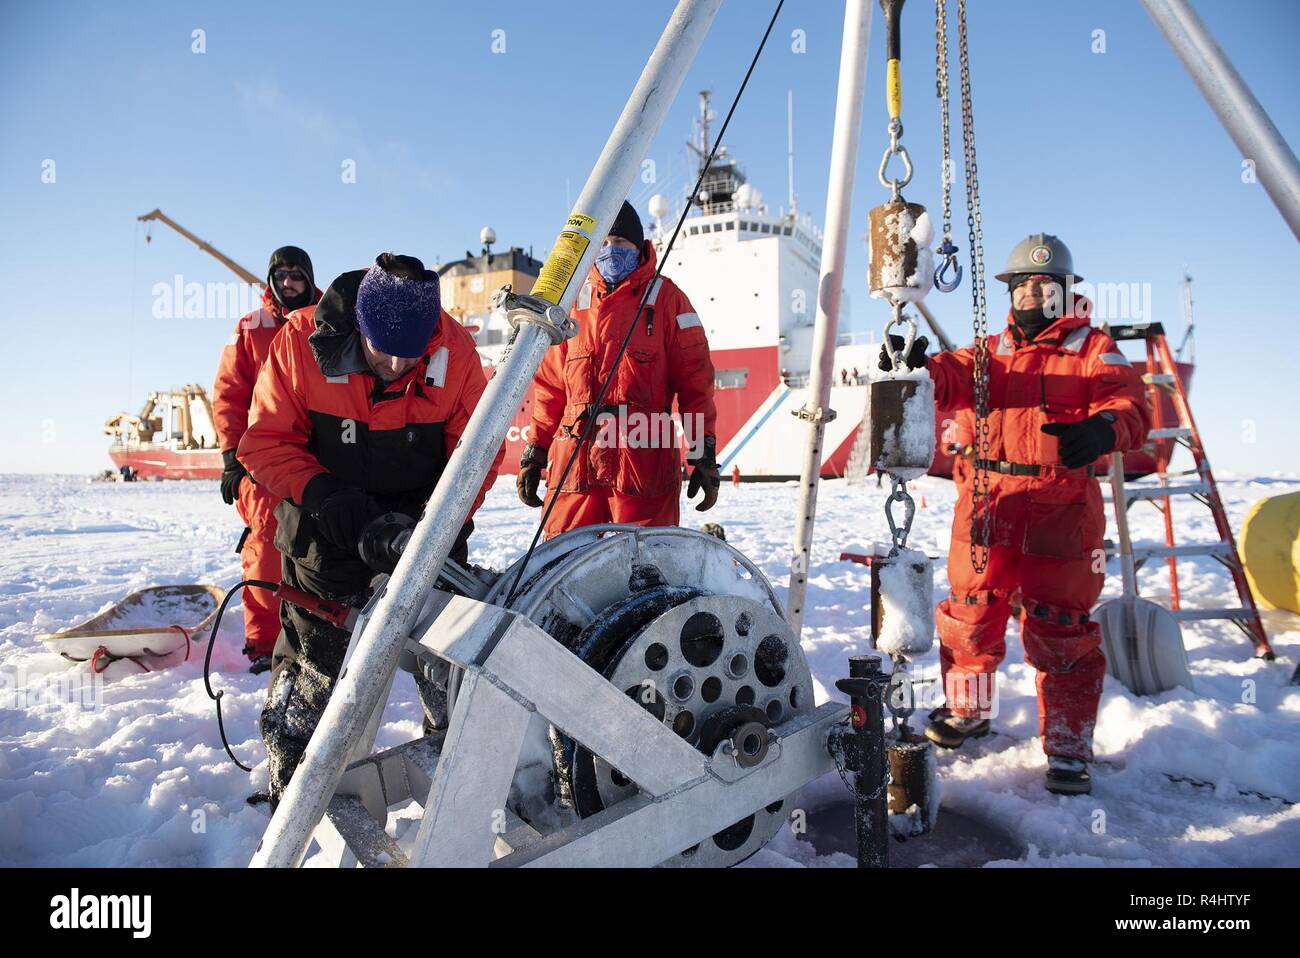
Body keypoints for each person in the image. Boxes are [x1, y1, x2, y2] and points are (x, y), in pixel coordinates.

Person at [881, 233, 1149, 795]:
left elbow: (1130, 406)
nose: (1035, 292)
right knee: (970, 616)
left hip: (1062, 510)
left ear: (1065, 291)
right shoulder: (988, 352)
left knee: (1063, 632)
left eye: (1047, 284)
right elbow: (946, 378)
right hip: (987, 503)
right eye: (1025, 283)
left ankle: (1069, 748)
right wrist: (916, 364)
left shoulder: (1095, 349)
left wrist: (1103, 427)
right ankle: (970, 713)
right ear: (1010, 291)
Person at [237, 253, 502, 804]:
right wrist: (327, 499)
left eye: (413, 354)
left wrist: (440, 519)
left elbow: (478, 453)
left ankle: (457, 763)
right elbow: (264, 444)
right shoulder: (299, 343)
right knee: (319, 656)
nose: (398, 365)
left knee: (447, 649)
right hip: (327, 522)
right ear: (361, 325)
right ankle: (295, 778)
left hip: (420, 524)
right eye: (385, 351)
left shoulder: (455, 353)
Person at [517, 201, 719, 536]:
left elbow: (696, 386)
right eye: (605, 243)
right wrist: (535, 453)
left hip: (643, 468)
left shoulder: (668, 300)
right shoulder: (569, 302)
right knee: (563, 564)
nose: (612, 250)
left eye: (622, 243)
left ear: (639, 246)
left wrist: (703, 455)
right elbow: (550, 390)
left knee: (646, 565)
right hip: (574, 468)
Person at [212, 247, 321, 673]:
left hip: (318, 455)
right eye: (281, 275)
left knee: (324, 544)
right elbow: (229, 394)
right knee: (267, 543)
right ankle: (263, 643)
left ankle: (321, 635)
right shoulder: (250, 329)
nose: (289, 283)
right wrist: (230, 458)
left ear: (309, 278)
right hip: (262, 458)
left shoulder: (328, 321)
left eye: (297, 275)